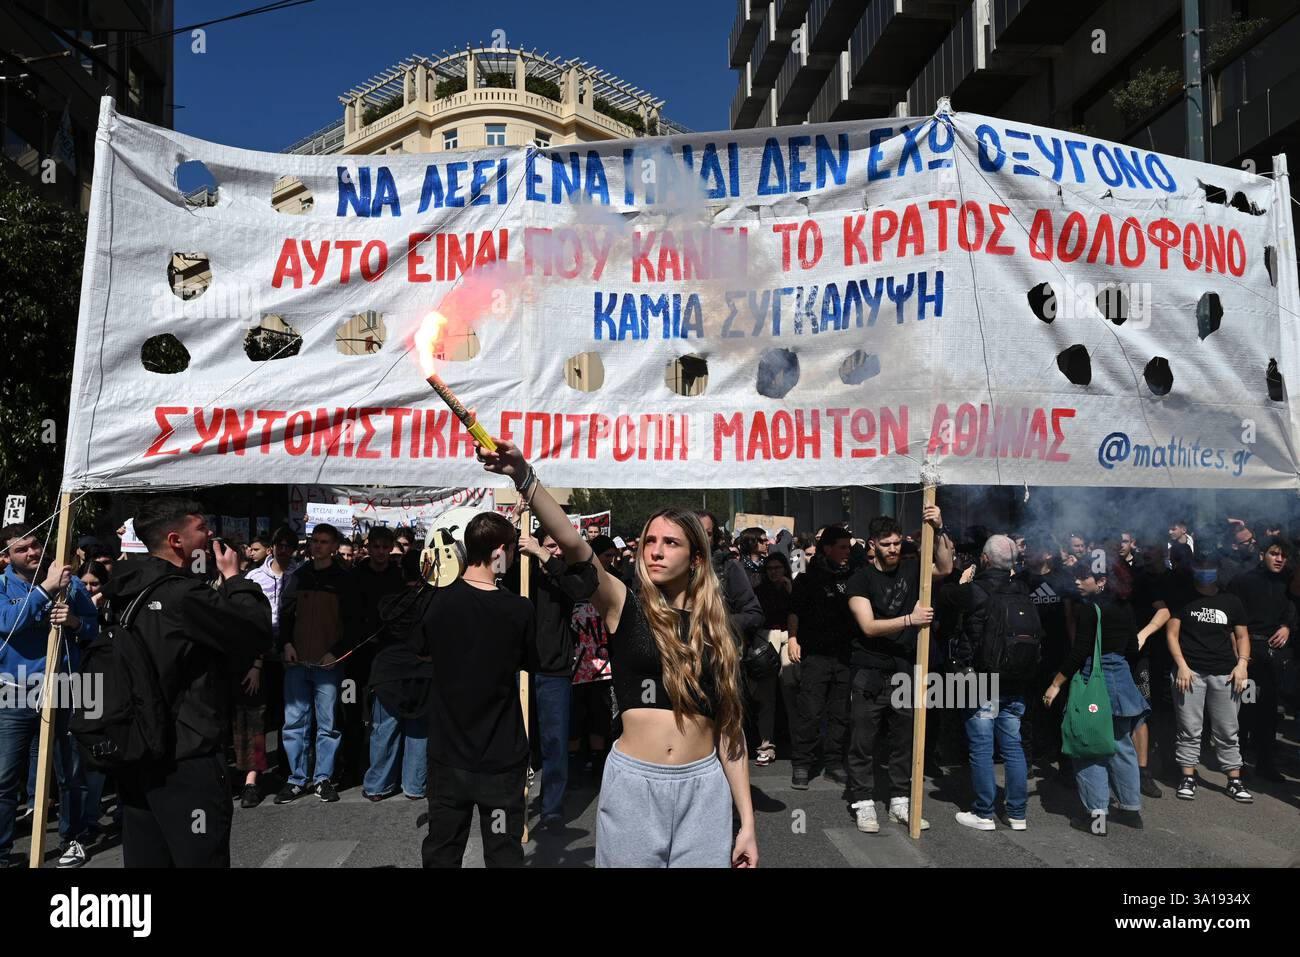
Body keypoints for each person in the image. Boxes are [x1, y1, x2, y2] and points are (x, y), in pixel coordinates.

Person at [481, 441, 757, 867]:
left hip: (704, 788)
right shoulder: (624, 606)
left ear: (697, 557)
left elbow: (730, 734)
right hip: (634, 784)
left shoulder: (717, 631)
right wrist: (523, 476)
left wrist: (748, 825)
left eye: (671, 542)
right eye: (650, 541)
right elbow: (574, 546)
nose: (656, 551)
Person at [101, 500, 271, 867]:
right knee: (200, 855)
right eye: (201, 528)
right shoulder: (181, 595)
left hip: (137, 750)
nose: (210, 534)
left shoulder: (123, 589)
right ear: (177, 540)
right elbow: (254, 629)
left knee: (149, 858)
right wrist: (236, 579)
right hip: (186, 755)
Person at [418, 512, 538, 867]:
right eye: (513, 551)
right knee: (503, 850)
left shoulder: (437, 600)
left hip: (448, 751)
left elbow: (418, 646)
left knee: (443, 849)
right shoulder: (518, 609)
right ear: (500, 552)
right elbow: (534, 661)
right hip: (499, 755)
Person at [844, 512, 953, 833]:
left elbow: (945, 567)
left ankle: (900, 801)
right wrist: (910, 619)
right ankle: (863, 803)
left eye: (896, 543)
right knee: (863, 741)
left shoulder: (911, 568)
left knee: (904, 741)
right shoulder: (860, 579)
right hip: (869, 670)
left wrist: (939, 527)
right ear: (872, 545)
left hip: (905, 669)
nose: (893, 549)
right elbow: (868, 626)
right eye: (886, 544)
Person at [0, 524, 100, 869]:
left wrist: (74, 621)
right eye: (21, 549)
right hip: (14, 690)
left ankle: (75, 838)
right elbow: (8, 622)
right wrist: (45, 590)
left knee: (70, 772)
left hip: (67, 686)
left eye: (35, 545)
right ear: (6, 557)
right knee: (4, 777)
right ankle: (2, 850)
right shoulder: (2, 586)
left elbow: (95, 627)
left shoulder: (70, 584)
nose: (31, 553)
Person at [940, 536, 1039, 831]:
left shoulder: (975, 591)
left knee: (982, 747)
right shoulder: (1023, 590)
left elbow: (943, 596)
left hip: (979, 680)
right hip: (1016, 678)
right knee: (1013, 746)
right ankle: (1017, 813)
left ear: (984, 559)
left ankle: (984, 812)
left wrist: (961, 578)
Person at [1044, 562, 1151, 834]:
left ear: (1102, 581)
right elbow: (1132, 647)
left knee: (1090, 750)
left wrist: (1056, 684)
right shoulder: (1125, 607)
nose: (1077, 582)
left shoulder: (1091, 610)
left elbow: (1079, 652)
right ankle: (1130, 810)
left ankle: (1097, 819)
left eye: (1083, 578)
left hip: (1096, 683)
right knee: (1123, 748)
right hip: (1123, 682)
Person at [274, 523, 361, 804]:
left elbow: (353, 624)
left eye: (324, 541)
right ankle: (297, 779)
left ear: (335, 546)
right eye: (314, 541)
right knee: (294, 723)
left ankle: (323, 778)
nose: (318, 546)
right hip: (297, 661)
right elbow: (284, 616)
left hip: (328, 664)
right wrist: (286, 644)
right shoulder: (297, 577)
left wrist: (336, 652)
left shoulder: (345, 579)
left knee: (328, 725)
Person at [517, 532, 590, 831]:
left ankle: (552, 808)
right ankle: (513, 804)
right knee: (517, 742)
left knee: (555, 742)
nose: (555, 551)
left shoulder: (567, 576)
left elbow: (581, 590)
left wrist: (546, 555)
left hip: (554, 672)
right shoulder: (523, 572)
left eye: (558, 546)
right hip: (520, 670)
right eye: (549, 546)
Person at [1167, 558, 1253, 803]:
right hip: (1190, 673)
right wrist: (1181, 666)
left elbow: (1242, 636)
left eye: (1209, 569)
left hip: (1224, 673)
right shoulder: (1183, 598)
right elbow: (1172, 635)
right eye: (1200, 569)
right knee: (1189, 729)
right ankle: (1187, 776)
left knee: (1228, 730)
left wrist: (1242, 665)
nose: (1205, 574)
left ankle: (1234, 780)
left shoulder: (1231, 601)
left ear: (1217, 572)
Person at [364, 549, 435, 804]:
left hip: (388, 672)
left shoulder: (388, 600)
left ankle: (377, 785)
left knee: (385, 730)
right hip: (422, 672)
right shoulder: (433, 600)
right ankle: (415, 785)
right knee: (418, 730)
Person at [787, 527, 855, 790]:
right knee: (810, 712)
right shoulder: (807, 576)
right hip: (815, 654)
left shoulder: (852, 575)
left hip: (844, 654)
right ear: (828, 548)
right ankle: (802, 763)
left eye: (849, 547)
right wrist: (793, 638)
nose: (847, 552)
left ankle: (834, 762)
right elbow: (794, 610)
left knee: (840, 713)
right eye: (842, 547)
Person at [1228, 537, 1295, 782]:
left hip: (1274, 657)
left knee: (1269, 714)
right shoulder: (1244, 581)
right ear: (1262, 554)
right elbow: (1232, 619)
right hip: (1249, 655)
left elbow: (1292, 610)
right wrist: (1238, 656)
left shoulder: (1287, 583)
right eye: (1274, 554)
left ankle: (1266, 764)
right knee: (1244, 710)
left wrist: (1287, 626)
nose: (1279, 559)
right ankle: (1239, 762)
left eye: (1283, 555)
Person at [346, 526, 403, 789]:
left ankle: (383, 772)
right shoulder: (355, 575)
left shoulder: (398, 575)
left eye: (384, 547)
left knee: (385, 715)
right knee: (352, 712)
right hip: (358, 656)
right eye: (376, 546)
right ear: (368, 547)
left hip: (389, 655)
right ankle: (351, 769)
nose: (380, 552)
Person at [754, 551, 793, 765]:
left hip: (788, 639)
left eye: (778, 568)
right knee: (766, 697)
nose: (774, 573)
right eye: (770, 569)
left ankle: (798, 744)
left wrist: (791, 591)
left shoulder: (792, 588)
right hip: (766, 640)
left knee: (791, 693)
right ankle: (766, 745)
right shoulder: (759, 591)